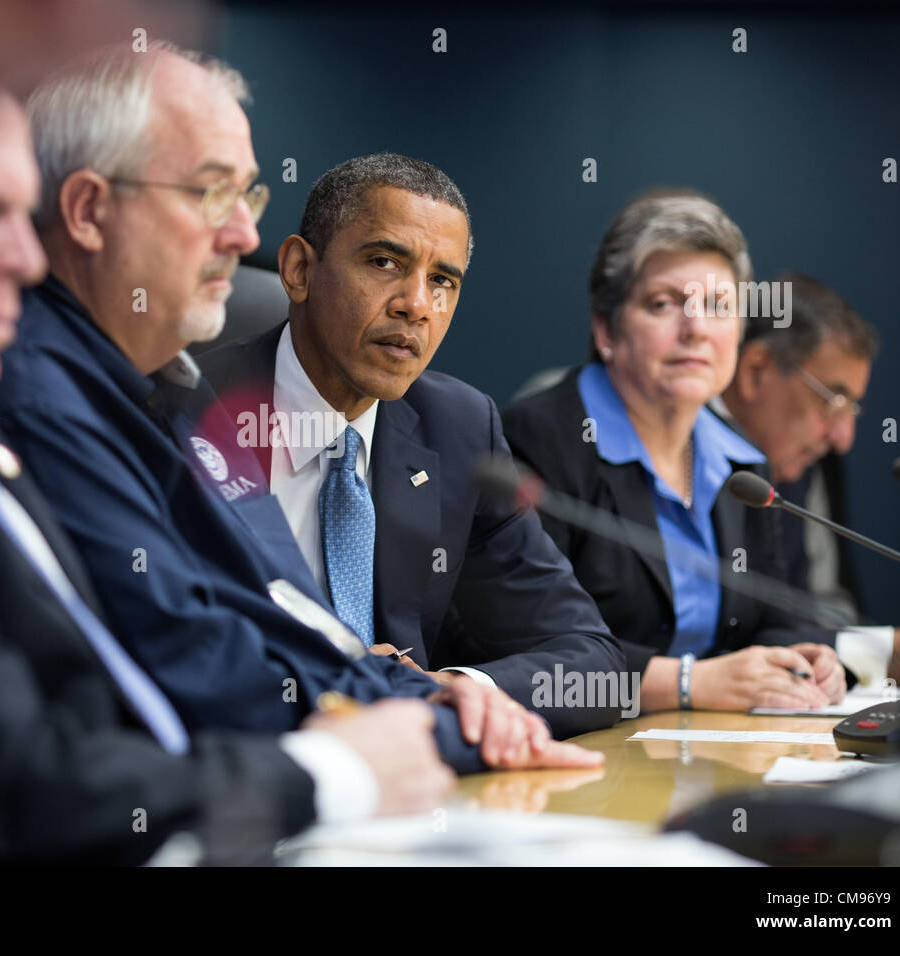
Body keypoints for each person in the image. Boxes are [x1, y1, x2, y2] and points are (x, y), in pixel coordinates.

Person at [0, 85, 456, 866]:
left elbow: (249, 612)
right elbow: (10, 783)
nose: (25, 256)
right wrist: (334, 767)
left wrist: (399, 706)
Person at [0, 45, 601, 771]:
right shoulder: (168, 404)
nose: (244, 234)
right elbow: (209, 657)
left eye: (249, 198)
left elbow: (283, 632)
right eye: (210, 194)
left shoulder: (458, 426)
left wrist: (448, 694)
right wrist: (443, 729)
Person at [199, 153, 628, 739]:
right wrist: (329, 680)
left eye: (442, 281)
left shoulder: (459, 428)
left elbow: (591, 665)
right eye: (383, 262)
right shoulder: (187, 412)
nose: (416, 305)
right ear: (299, 270)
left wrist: (449, 691)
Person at [501, 191, 851, 713]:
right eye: (663, 304)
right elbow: (522, 645)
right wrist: (689, 683)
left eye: (718, 306)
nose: (696, 329)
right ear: (606, 330)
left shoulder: (743, 462)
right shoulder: (538, 439)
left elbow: (774, 613)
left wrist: (802, 655)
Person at [715, 272, 900, 688]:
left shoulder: (803, 465)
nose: (844, 438)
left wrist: (872, 657)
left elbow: (822, 611)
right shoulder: (676, 451)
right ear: (756, 370)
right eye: (833, 401)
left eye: (851, 409)